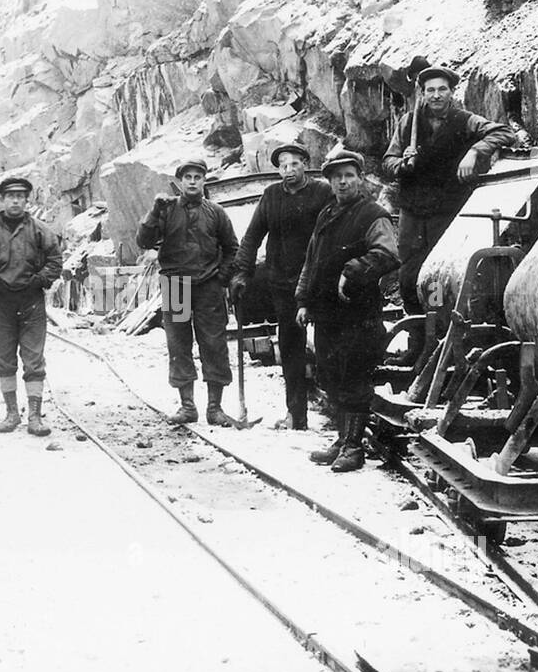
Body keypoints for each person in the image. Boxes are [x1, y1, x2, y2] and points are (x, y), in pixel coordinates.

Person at [382, 66, 515, 364]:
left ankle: (441, 346)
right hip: (413, 214)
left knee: (438, 280)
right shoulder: (407, 125)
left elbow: (504, 132)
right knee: (408, 278)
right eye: (430, 90)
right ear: (422, 94)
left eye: (442, 89)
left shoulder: (464, 120)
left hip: (448, 213)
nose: (436, 95)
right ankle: (419, 342)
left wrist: (475, 151)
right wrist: (402, 166)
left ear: (451, 92)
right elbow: (388, 161)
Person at [295, 147, 400, 472]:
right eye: (337, 177)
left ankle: (354, 448)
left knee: (354, 378)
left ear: (360, 178)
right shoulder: (327, 215)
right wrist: (303, 300)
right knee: (332, 377)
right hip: (327, 316)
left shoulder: (373, 215)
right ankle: (342, 440)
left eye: (349, 176)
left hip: (358, 316)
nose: (343, 182)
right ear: (329, 181)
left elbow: (388, 254)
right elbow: (311, 261)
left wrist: (352, 270)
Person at [230, 142, 333, 430]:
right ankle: (296, 415)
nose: (289, 170)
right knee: (290, 348)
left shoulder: (323, 192)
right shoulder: (271, 195)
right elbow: (252, 237)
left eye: (295, 164)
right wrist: (241, 273)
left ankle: (336, 409)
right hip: (283, 281)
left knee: (328, 344)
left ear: (304, 164)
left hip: (317, 280)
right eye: (283, 165)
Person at [137, 158, 240, 426]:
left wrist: (222, 278)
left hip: (208, 286)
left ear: (204, 180)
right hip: (176, 284)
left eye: (198, 177)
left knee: (214, 344)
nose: (193, 181)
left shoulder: (216, 212)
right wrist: (154, 212)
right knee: (179, 344)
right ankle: (187, 407)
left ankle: (215, 409)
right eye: (188, 177)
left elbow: (232, 248)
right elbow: (144, 241)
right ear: (180, 181)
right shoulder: (166, 209)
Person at [0, 176, 63, 437]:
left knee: (34, 360)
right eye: (10, 196)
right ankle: (11, 413)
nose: (15, 200)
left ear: (26, 201)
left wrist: (39, 280)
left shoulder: (39, 230)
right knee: (4, 359)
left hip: (31, 302)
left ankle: (34, 416)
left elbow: (55, 260)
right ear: (2, 200)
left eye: (20, 196)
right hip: (2, 303)